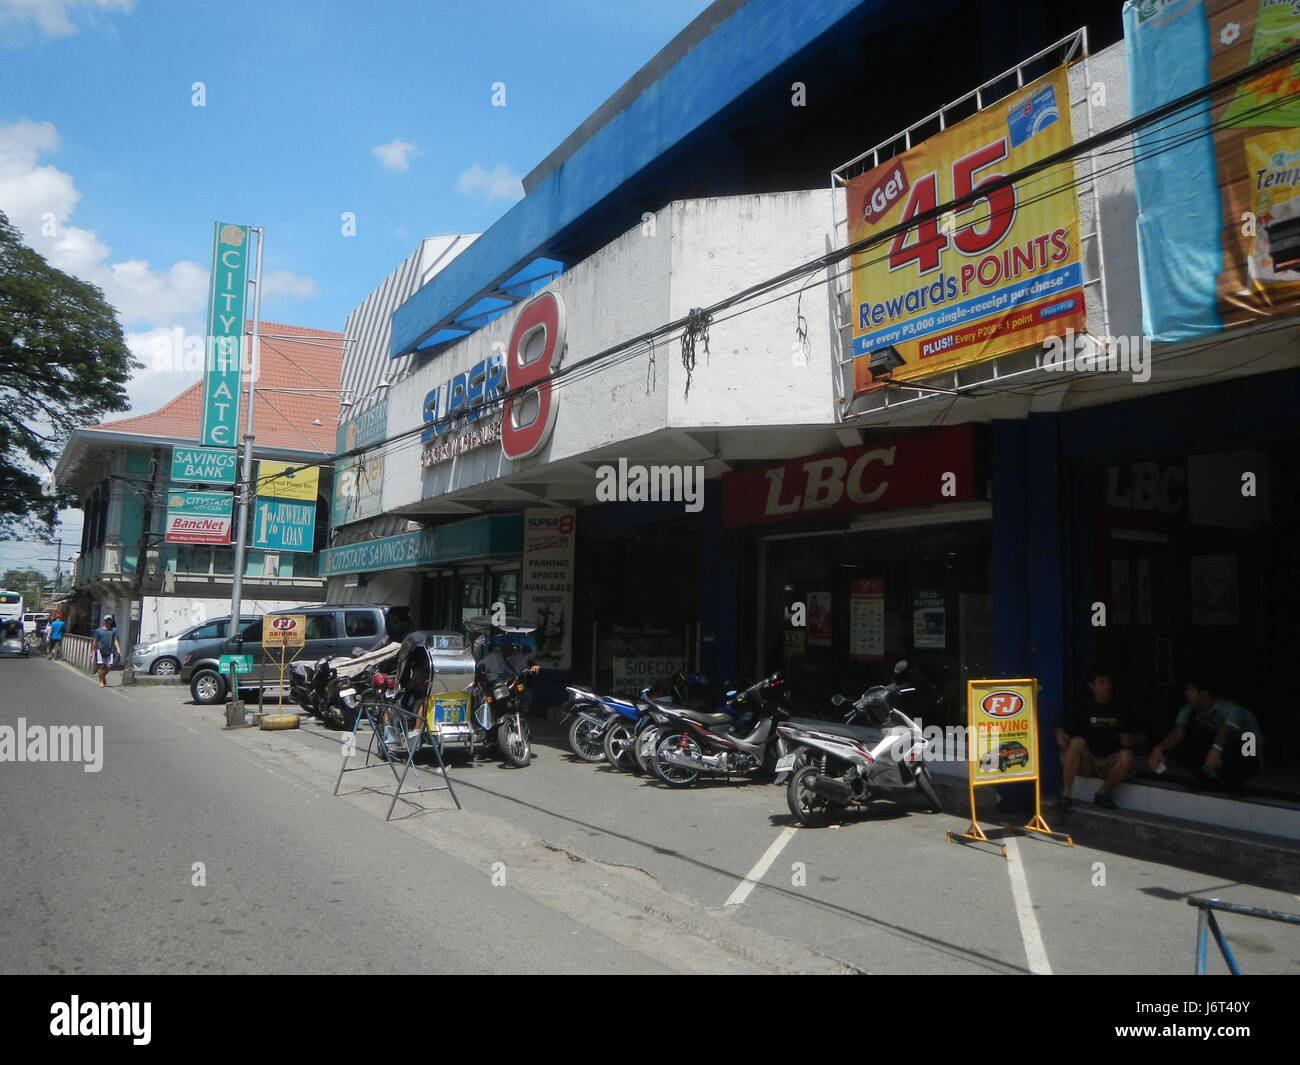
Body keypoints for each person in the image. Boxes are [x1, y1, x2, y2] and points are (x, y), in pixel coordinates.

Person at [1149, 676, 1262, 793]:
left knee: (1237, 743)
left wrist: (1216, 750)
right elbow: (1178, 734)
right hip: (1219, 748)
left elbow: (1226, 731)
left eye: (1189, 690)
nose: (1185, 693)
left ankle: (1233, 780)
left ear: (1203, 694)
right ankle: (1207, 777)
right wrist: (1159, 748)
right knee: (1180, 740)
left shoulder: (1231, 709)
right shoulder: (1189, 709)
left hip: (1246, 750)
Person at [1055, 665, 1144, 810]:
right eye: (1102, 683)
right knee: (1076, 741)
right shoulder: (1082, 706)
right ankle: (1065, 794)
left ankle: (1103, 793)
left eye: (1109, 682)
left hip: (1110, 762)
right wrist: (1059, 735)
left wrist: (1132, 739)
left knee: (1127, 756)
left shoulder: (1122, 707)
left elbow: (1143, 738)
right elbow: (1063, 728)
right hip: (1087, 762)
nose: (1107, 686)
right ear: (1092, 686)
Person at [93, 615, 121, 688]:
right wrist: (92, 651)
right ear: (104, 621)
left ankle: (102, 676)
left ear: (111, 621)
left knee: (108, 666)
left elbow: (115, 640)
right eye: (106, 620)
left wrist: (118, 650)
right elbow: (95, 641)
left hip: (109, 651)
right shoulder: (99, 631)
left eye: (109, 620)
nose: (108, 622)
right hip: (100, 650)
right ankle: (101, 682)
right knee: (101, 666)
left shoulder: (113, 630)